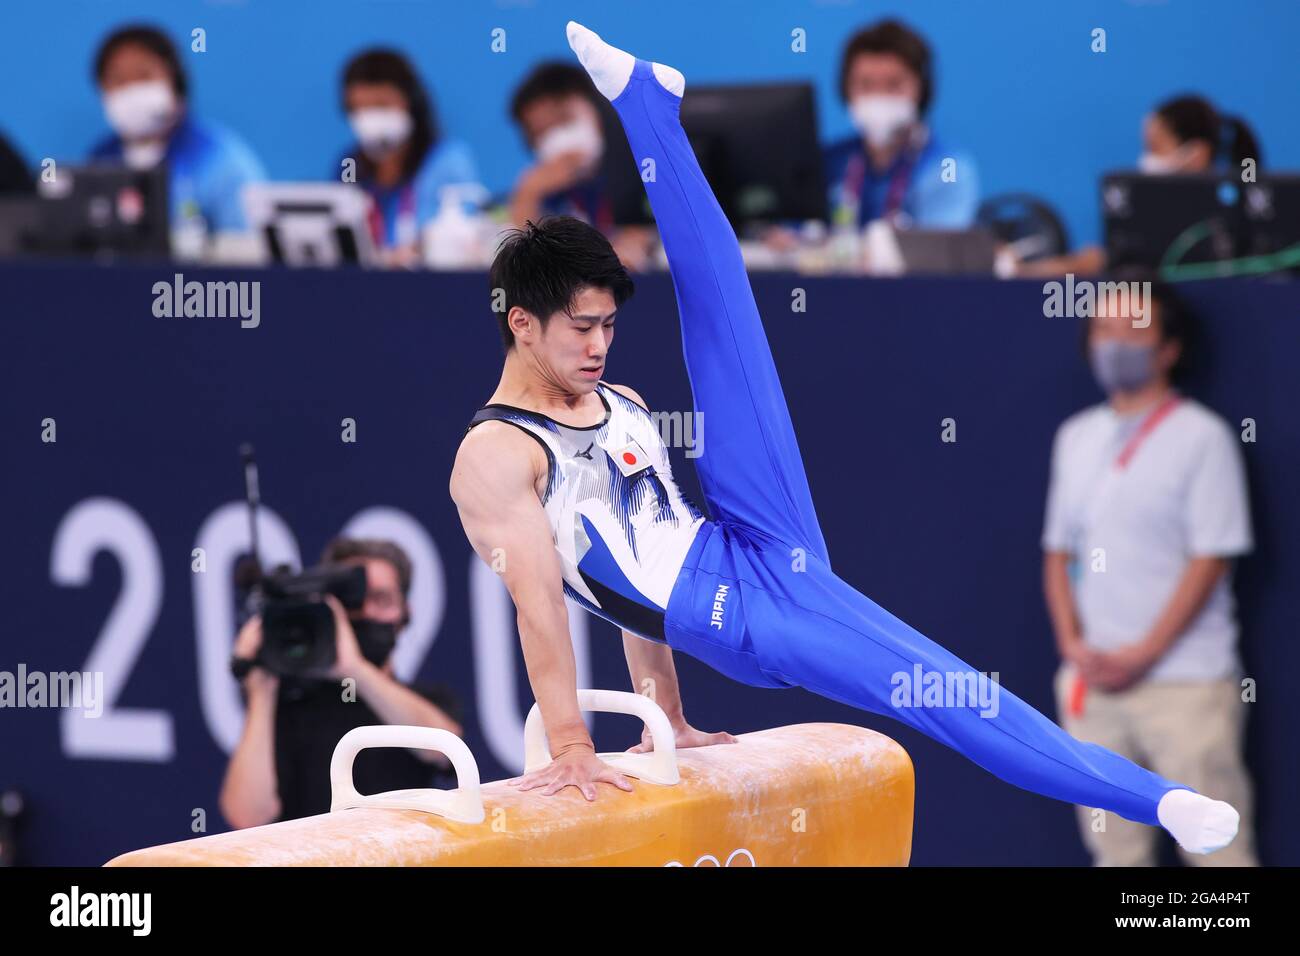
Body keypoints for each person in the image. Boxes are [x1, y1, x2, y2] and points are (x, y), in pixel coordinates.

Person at [448, 22, 1241, 857]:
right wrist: (572, 743)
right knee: (942, 695)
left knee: (725, 321)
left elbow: (631, 574)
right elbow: (543, 605)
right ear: (522, 324)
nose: (601, 346)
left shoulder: (621, 400)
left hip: (747, 537)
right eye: (581, 329)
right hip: (747, 614)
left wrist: (667, 714)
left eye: (610, 325)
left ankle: (650, 108)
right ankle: (1159, 799)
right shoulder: (498, 456)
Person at [1042, 279, 1258, 866]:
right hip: (1093, 685)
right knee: (1115, 855)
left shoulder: (1204, 438)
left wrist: (1144, 652)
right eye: (1103, 330)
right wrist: (1072, 646)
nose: (1114, 344)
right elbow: (1058, 553)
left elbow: (1211, 557)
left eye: (1132, 331)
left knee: (1220, 856)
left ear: (1168, 348)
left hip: (1185, 684)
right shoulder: (1075, 437)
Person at [219, 538, 462, 828]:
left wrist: (353, 668)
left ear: (405, 613)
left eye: (382, 600)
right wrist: (261, 691)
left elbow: (445, 750)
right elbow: (245, 817)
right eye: (354, 602)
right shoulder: (291, 711)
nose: (367, 613)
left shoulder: (427, 700)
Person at [1018, 94, 1264, 277]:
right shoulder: (1142, 219)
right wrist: (1022, 271)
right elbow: (1106, 260)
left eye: (1153, 148)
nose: (1145, 160)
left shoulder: (1230, 223)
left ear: (1195, 155)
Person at [88, 24, 266, 235]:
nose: (131, 89)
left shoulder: (219, 158)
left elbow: (250, 251)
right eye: (118, 80)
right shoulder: (99, 161)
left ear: (175, 80)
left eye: (143, 76)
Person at [823, 19, 979, 229]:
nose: (878, 95)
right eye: (865, 84)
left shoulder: (946, 168)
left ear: (922, 90)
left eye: (893, 84)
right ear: (845, 89)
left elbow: (937, 252)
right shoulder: (828, 161)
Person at [339, 48, 483, 266]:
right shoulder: (349, 165)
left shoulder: (448, 160)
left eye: (381, 105)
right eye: (360, 109)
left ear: (410, 101)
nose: (371, 119)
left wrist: (415, 249)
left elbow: (459, 235)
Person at [507, 62, 654, 270]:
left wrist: (642, 238)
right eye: (542, 133)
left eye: (564, 121)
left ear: (595, 107)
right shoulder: (548, 193)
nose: (558, 139)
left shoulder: (647, 164)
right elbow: (527, 266)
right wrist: (527, 196)